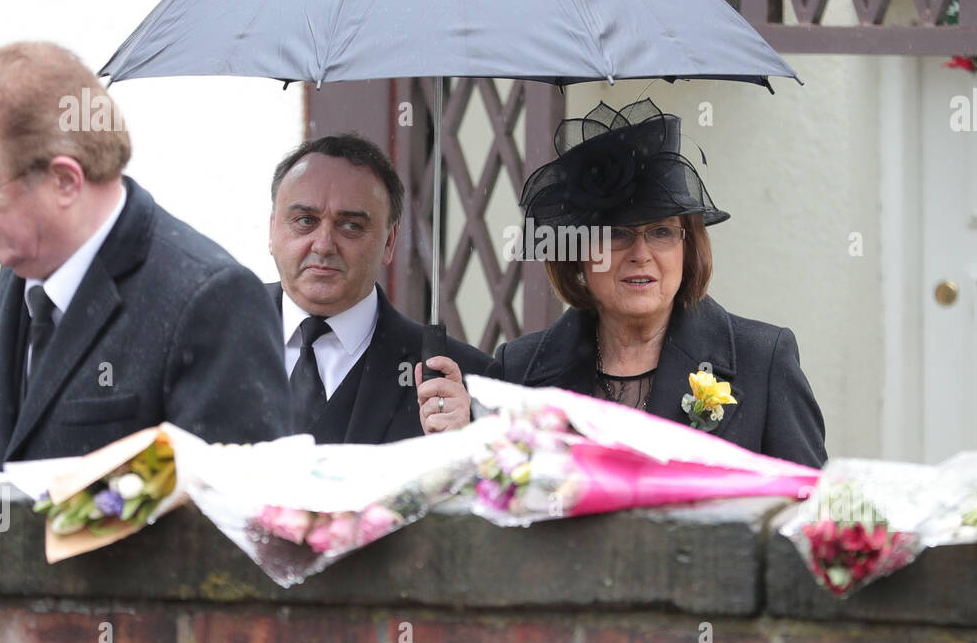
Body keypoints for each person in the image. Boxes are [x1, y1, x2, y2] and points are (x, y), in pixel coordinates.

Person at [0, 42, 293, 472]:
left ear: (65, 180)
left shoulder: (212, 299)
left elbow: (235, 513)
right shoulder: (23, 266)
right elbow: (21, 432)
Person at [495, 100, 827, 466]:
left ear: (688, 248)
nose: (641, 253)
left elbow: (807, 509)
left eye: (661, 232)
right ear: (579, 254)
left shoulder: (763, 360)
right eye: (616, 233)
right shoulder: (520, 369)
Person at [268, 135, 499, 443]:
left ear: (390, 242)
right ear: (272, 230)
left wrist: (465, 449)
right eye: (305, 220)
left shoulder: (467, 382)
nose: (323, 245)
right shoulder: (206, 336)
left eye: (350, 225)